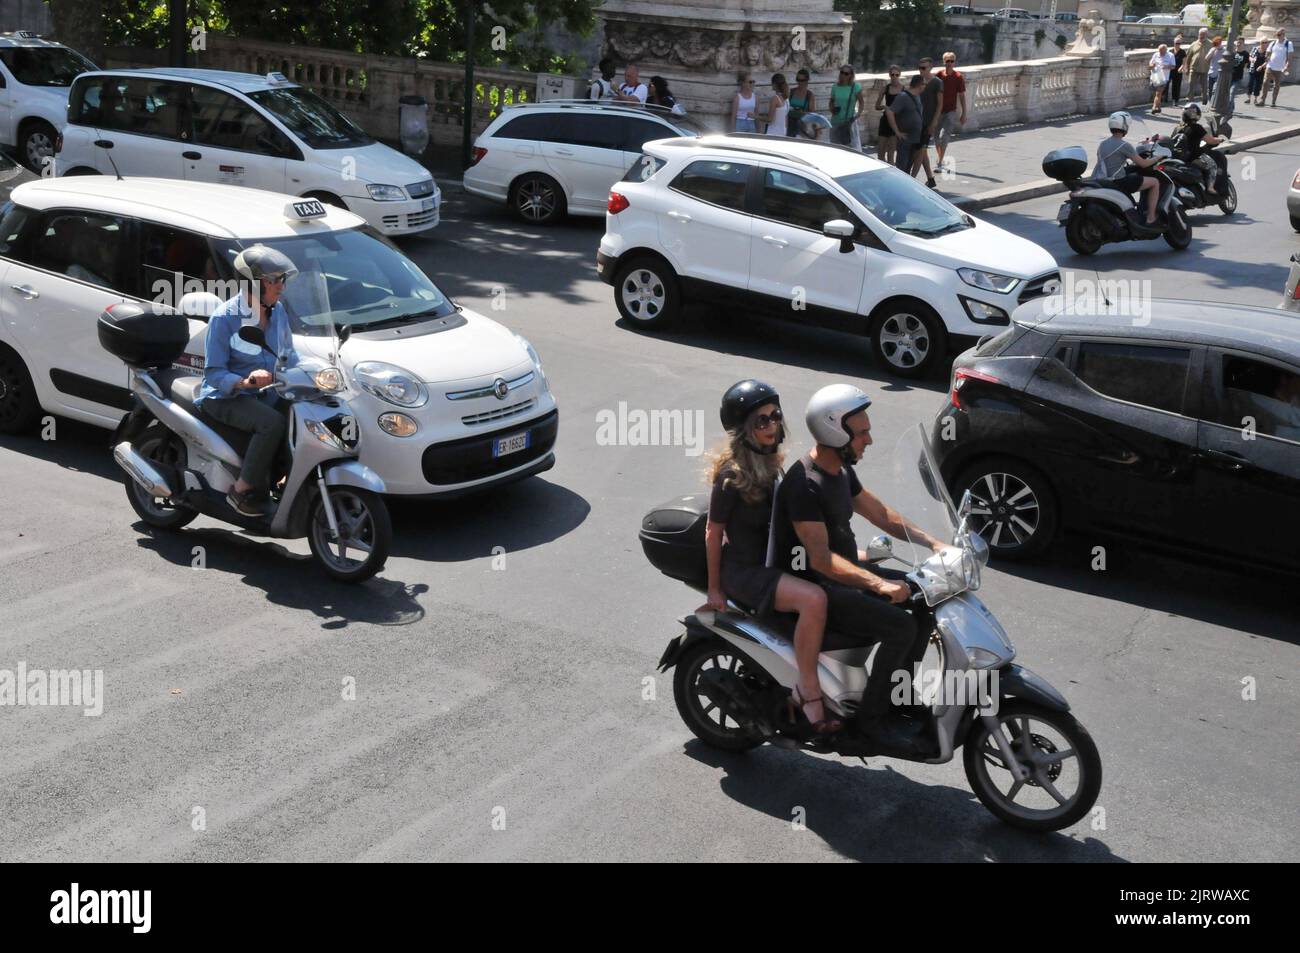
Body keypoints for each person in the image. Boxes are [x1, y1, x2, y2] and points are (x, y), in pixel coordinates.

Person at [773, 384, 946, 748]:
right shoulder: (804, 483)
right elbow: (820, 561)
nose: (869, 440)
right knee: (901, 626)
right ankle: (870, 723)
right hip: (819, 585)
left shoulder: (839, 471)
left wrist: (933, 542)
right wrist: (878, 584)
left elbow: (879, 513)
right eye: (862, 432)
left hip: (844, 575)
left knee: (925, 600)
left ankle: (897, 696)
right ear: (836, 431)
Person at [700, 380, 839, 735]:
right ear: (744, 430)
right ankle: (808, 691)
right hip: (745, 572)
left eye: (774, 416)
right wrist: (714, 590)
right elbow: (713, 532)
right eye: (760, 421)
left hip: (771, 562)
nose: (771, 425)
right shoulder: (732, 476)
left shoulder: (772, 463)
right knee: (814, 600)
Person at [197, 245, 300, 516]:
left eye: (282, 279)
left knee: (305, 413)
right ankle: (241, 490)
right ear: (253, 284)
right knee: (271, 423)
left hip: (267, 393)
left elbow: (290, 355)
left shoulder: (278, 313)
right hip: (225, 397)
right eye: (273, 280)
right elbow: (214, 373)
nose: (281, 286)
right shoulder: (225, 318)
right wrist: (245, 382)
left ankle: (287, 480)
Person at [1094, 111, 1162, 226]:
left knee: (1134, 172)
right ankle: (1151, 218)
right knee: (1154, 182)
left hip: (1104, 180)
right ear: (1124, 126)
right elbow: (1144, 164)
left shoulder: (1103, 144)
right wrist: (1157, 157)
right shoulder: (1124, 145)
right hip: (1119, 182)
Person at [1171, 103, 1226, 195]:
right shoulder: (1197, 128)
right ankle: (1210, 188)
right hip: (1194, 156)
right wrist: (1220, 140)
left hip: (1180, 157)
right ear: (1196, 115)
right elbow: (1210, 141)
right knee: (1212, 166)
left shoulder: (1178, 128)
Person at [887, 75, 926, 173]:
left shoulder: (918, 96)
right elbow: (890, 112)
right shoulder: (903, 96)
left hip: (916, 138)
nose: (925, 86)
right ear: (919, 85)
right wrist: (897, 131)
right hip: (905, 139)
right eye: (924, 84)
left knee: (909, 165)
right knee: (902, 167)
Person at [935, 52, 966, 172]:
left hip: (951, 111)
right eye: (947, 61)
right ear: (944, 62)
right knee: (935, 136)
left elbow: (962, 96)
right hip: (938, 110)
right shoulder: (938, 75)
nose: (949, 63)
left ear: (954, 62)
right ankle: (940, 158)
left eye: (952, 61)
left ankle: (940, 162)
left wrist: (964, 113)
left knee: (945, 137)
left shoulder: (958, 77)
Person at [829, 64, 864, 147]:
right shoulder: (835, 87)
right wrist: (832, 109)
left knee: (849, 148)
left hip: (849, 122)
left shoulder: (855, 87)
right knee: (835, 147)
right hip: (835, 121)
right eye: (842, 72)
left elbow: (861, 102)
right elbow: (831, 101)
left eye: (846, 73)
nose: (843, 75)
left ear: (851, 75)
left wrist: (857, 114)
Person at [875, 65, 903, 165]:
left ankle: (891, 175)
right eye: (892, 74)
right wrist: (884, 107)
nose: (894, 77)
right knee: (880, 153)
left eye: (896, 74)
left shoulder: (903, 89)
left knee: (891, 153)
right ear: (889, 75)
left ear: (899, 75)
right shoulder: (885, 88)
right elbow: (877, 106)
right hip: (885, 121)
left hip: (896, 122)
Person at [1260, 29, 1292, 106]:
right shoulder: (1273, 43)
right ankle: (1262, 100)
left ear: (1283, 35)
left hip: (1280, 68)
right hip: (1270, 66)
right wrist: (1267, 57)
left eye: (1279, 35)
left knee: (1276, 85)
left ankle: (1273, 101)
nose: (1277, 36)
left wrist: (1287, 66)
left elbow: (1290, 57)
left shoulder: (1288, 43)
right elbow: (1268, 52)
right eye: (1276, 35)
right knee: (1265, 82)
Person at [1182, 28, 1213, 105]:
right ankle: (1190, 99)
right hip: (1194, 67)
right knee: (1191, 83)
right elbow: (1188, 57)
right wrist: (1186, 67)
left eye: (1203, 34)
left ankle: (1204, 98)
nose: (1201, 36)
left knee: (1204, 85)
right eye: (1200, 34)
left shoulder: (1211, 44)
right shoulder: (1194, 44)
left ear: (1206, 35)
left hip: (1205, 68)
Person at [787, 69, 816, 137]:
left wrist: (802, 112)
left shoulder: (809, 95)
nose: (799, 82)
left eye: (802, 80)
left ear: (807, 81)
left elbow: (812, 114)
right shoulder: (791, 92)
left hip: (802, 127)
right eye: (798, 80)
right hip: (789, 125)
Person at [1150, 44, 1174, 114]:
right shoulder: (1155, 55)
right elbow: (1150, 65)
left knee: (1158, 93)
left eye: (1162, 51)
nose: (1160, 53)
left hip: (1164, 78)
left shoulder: (1170, 56)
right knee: (1156, 94)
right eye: (1159, 51)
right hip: (1154, 76)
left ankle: (1154, 107)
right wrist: (1152, 66)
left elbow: (1173, 66)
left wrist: (1166, 66)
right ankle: (1159, 108)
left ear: (1166, 50)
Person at [1248, 36, 1270, 105]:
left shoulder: (1268, 51)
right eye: (1262, 42)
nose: (1263, 44)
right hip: (1252, 69)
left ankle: (1255, 99)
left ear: (1267, 43)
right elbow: (1250, 56)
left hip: (1261, 70)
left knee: (1257, 85)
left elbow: (1268, 61)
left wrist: (1261, 66)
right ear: (1260, 43)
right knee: (1250, 83)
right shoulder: (1255, 49)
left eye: (1265, 42)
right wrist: (1251, 59)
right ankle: (1249, 98)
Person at [1169, 34, 1186, 106]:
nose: (1178, 45)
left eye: (1179, 43)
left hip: (1178, 71)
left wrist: (1181, 68)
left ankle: (1175, 100)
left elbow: (1184, 62)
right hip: (1170, 70)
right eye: (1176, 43)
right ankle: (1164, 99)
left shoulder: (1182, 52)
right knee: (1166, 84)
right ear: (1174, 43)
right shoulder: (1170, 51)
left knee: (1176, 85)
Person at [1207, 36, 1225, 102]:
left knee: (1215, 90)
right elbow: (1206, 58)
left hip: (1219, 73)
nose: (1217, 45)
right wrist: (1213, 50)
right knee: (1210, 90)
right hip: (1211, 72)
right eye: (1215, 44)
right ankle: (1210, 103)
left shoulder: (1224, 51)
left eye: (1218, 44)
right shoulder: (1212, 50)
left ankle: (1214, 103)